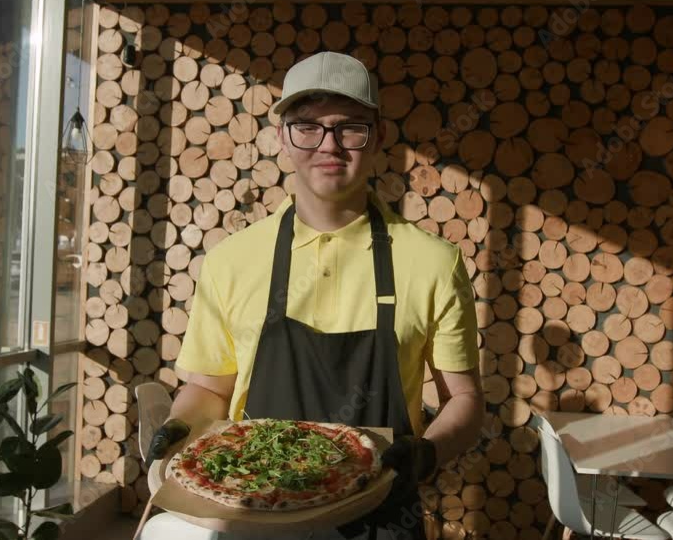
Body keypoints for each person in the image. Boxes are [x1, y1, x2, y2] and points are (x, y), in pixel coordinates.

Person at [146, 51, 485, 539]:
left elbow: (466, 400)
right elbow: (208, 388)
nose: (330, 145)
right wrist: (180, 425)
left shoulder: (433, 262)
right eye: (307, 127)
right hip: (252, 512)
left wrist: (427, 454)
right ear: (283, 137)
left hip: (381, 514)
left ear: (377, 137)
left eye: (350, 127)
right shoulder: (232, 260)